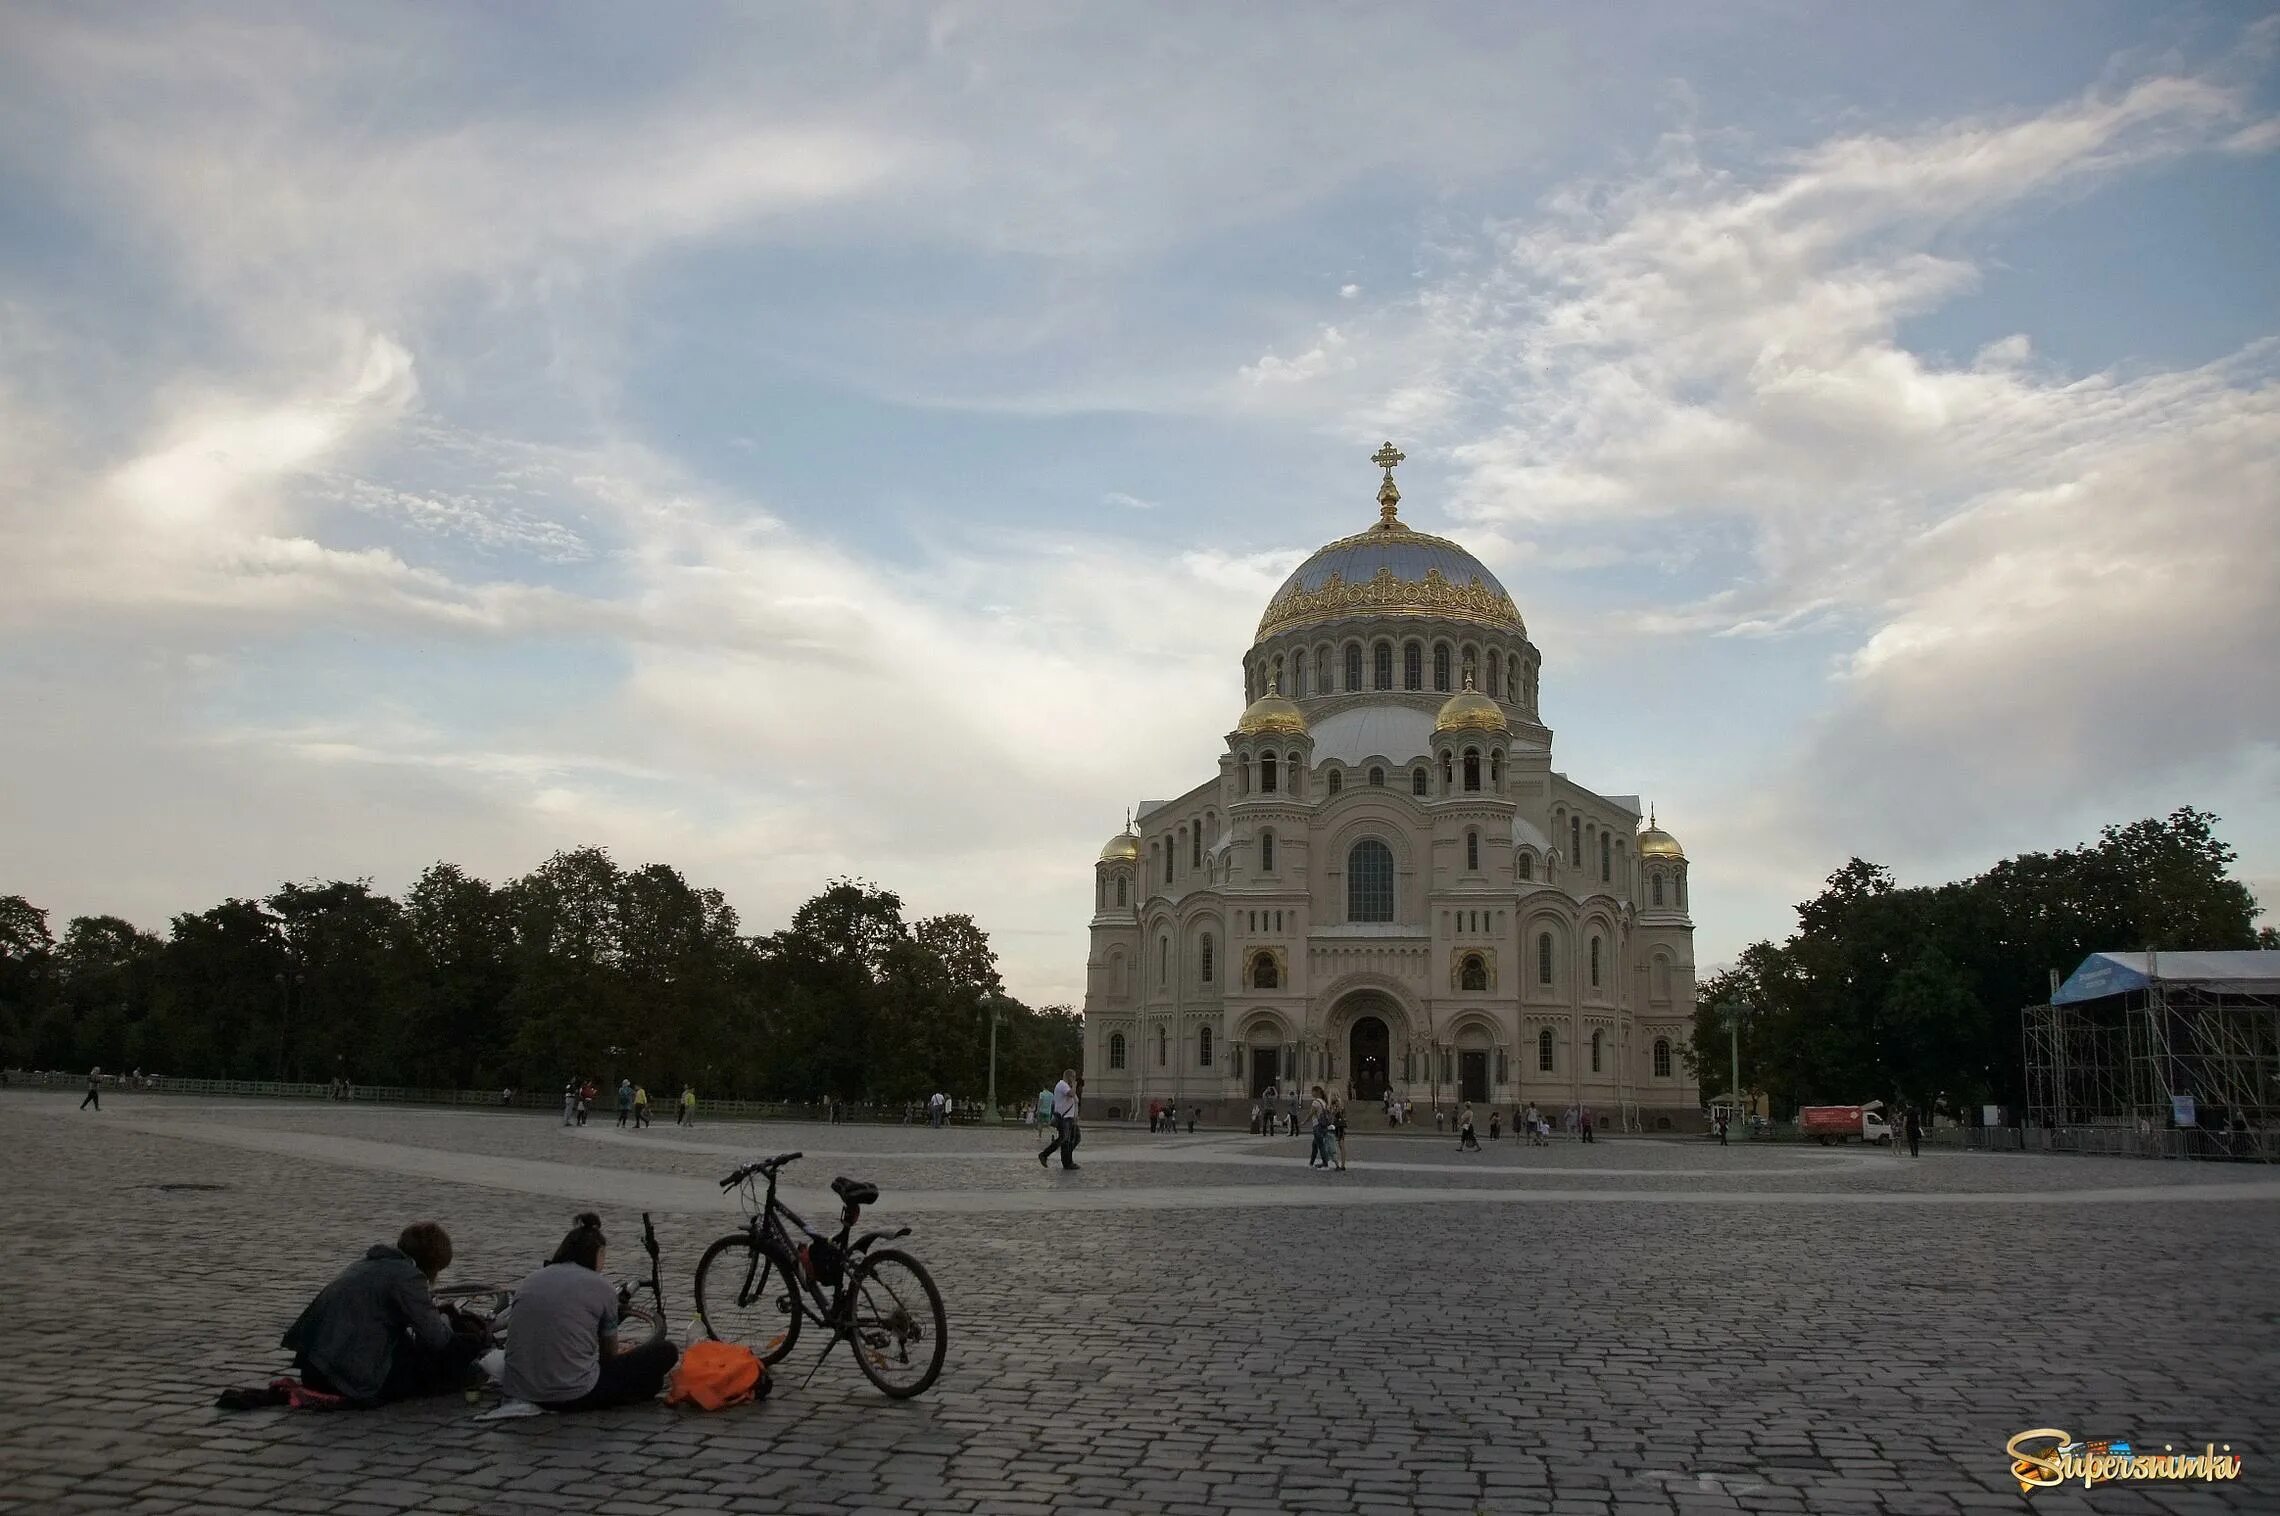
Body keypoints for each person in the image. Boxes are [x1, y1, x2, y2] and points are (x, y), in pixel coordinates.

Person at [280, 1222, 483, 1405]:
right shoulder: (408, 1276)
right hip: (343, 1376)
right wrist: (471, 1341)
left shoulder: (366, 1264)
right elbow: (437, 1339)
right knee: (455, 1368)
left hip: (313, 1368)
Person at [502, 1214, 678, 1412]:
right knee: (666, 1351)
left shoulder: (531, 1280)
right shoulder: (601, 1287)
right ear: (598, 1253)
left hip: (519, 1389)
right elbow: (608, 1355)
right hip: (572, 1393)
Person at [1038, 1067, 1081, 1170]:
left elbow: (1073, 1101)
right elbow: (1071, 1094)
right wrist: (1074, 1086)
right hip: (1064, 1118)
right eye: (1073, 1077)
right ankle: (1045, 1155)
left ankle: (1067, 1161)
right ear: (1069, 1077)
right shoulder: (1062, 1085)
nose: (1074, 1080)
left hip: (1070, 1119)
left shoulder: (1067, 1086)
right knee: (1063, 1139)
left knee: (1074, 1139)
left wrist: (1075, 1116)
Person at [1330, 1098, 1348, 1172]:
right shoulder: (1337, 1109)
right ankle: (1341, 1165)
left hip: (1340, 1128)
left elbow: (1337, 1115)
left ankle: (1343, 1165)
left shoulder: (1340, 1109)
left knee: (1341, 1146)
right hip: (1337, 1128)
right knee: (1340, 1146)